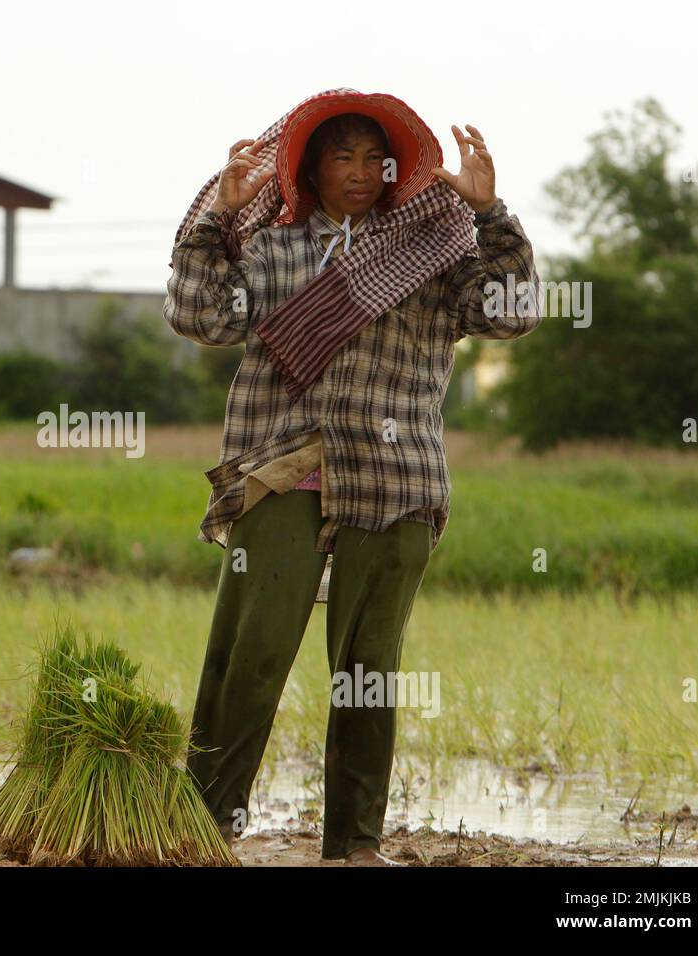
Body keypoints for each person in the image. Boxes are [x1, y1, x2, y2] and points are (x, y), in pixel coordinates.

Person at [164, 88, 541, 865]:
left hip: (395, 474)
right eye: (343, 156)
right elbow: (201, 317)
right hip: (283, 466)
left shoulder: (437, 253)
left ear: (400, 171)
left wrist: (492, 212)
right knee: (252, 652)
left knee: (369, 670)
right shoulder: (275, 248)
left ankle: (355, 846)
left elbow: (511, 311)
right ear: (310, 167)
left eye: (378, 158)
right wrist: (214, 221)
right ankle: (202, 829)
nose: (362, 172)